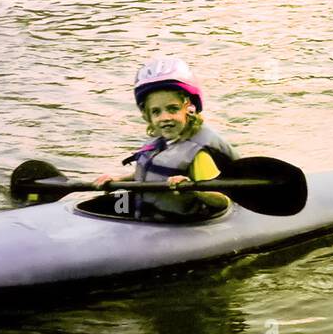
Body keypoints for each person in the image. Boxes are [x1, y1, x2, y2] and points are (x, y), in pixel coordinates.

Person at [94, 56, 238, 221]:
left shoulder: (197, 154)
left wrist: (192, 189)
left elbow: (222, 201)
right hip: (146, 223)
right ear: (148, 116)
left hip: (181, 228)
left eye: (172, 109)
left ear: (189, 109)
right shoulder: (158, 144)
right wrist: (117, 180)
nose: (165, 117)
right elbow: (148, 174)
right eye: (156, 112)